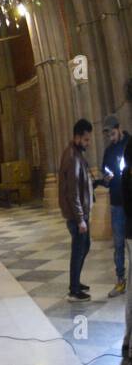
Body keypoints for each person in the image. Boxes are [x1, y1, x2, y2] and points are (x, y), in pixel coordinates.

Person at [58, 118, 95, 302]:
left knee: (84, 246)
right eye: (87, 139)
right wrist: (80, 218)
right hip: (76, 215)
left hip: (81, 213)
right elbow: (72, 192)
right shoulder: (72, 157)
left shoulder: (77, 153)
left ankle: (76, 281)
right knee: (78, 249)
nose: (88, 143)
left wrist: (99, 182)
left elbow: (82, 184)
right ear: (78, 137)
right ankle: (74, 290)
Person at [97, 114, 128, 299]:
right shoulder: (108, 152)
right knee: (118, 244)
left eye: (112, 133)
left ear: (118, 128)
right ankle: (120, 281)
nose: (111, 137)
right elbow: (105, 172)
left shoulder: (129, 144)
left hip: (130, 201)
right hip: (116, 203)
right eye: (108, 135)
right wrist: (106, 179)